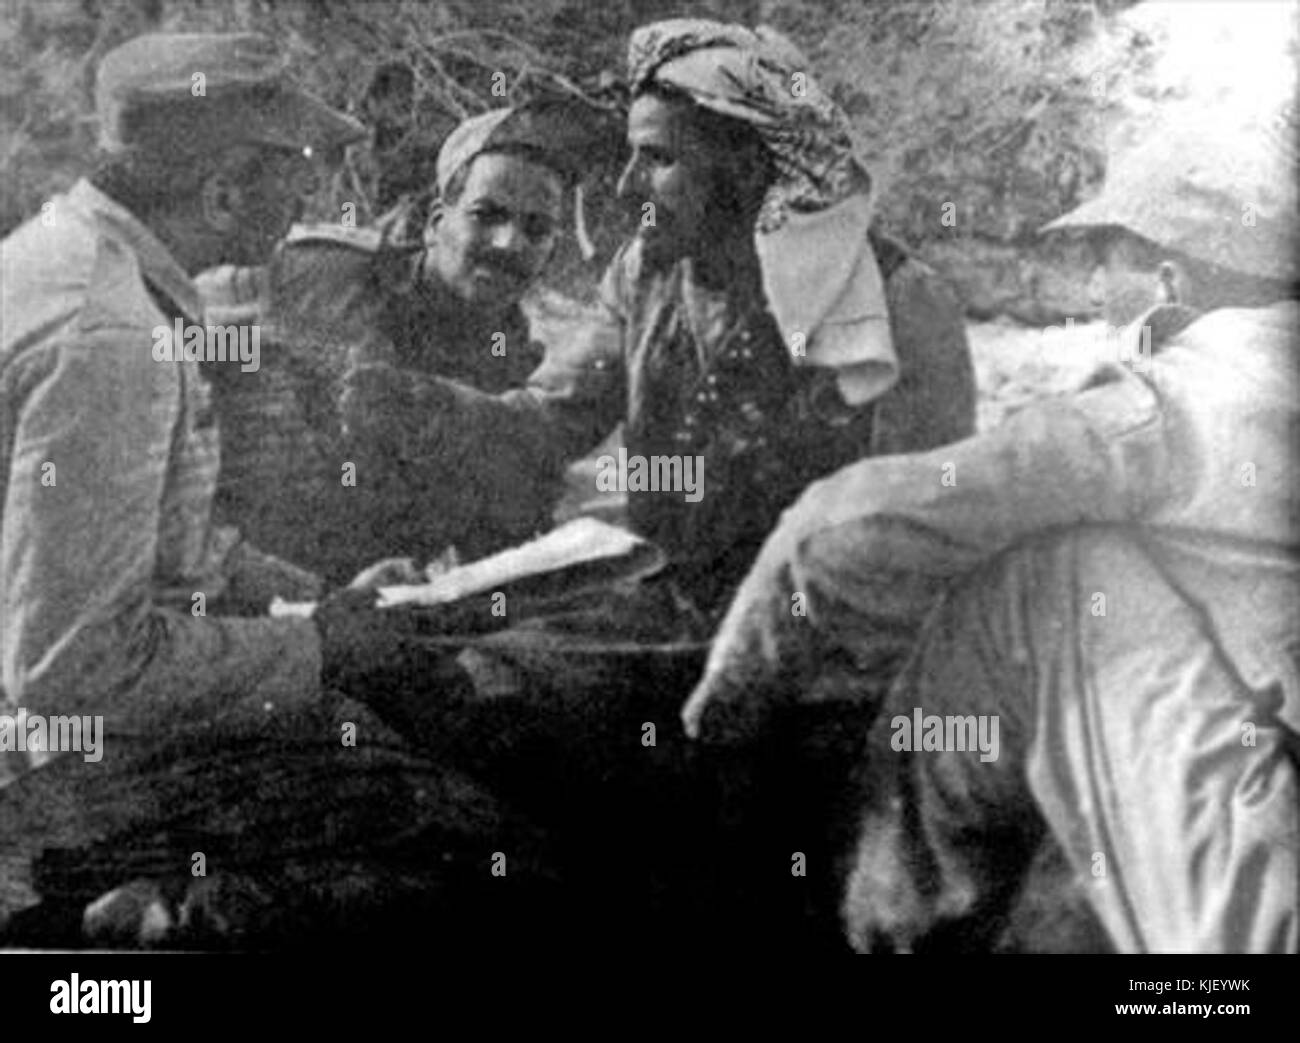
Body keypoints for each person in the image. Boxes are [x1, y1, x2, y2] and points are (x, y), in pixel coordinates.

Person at [356, 18, 975, 948]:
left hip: (812, 666)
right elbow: (544, 423)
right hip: (663, 613)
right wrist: (382, 401)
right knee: (417, 674)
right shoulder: (647, 269)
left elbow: (922, 546)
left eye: (657, 161)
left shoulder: (893, 301)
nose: (623, 187)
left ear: (748, 163)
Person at [681, 111, 1298, 952]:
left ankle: (891, 927)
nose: (1087, 282)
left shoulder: (1182, 401)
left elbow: (860, 522)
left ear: (1167, 280)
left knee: (1057, 575)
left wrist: (734, 699)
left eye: (1103, 254)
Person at [0, 33, 545, 948]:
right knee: (491, 861)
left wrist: (314, 598)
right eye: (295, 171)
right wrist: (316, 648)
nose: (311, 198)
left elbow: (174, 549)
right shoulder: (110, 342)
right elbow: (71, 674)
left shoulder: (80, 263)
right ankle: (136, 926)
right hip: (49, 767)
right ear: (221, 191)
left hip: (68, 733)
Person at [199, 101, 598, 583]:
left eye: (536, 229)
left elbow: (500, 545)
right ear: (435, 223)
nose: (508, 243)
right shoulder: (315, 273)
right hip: (221, 573)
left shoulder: (524, 379)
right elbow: (174, 362)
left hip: (363, 612)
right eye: (486, 215)